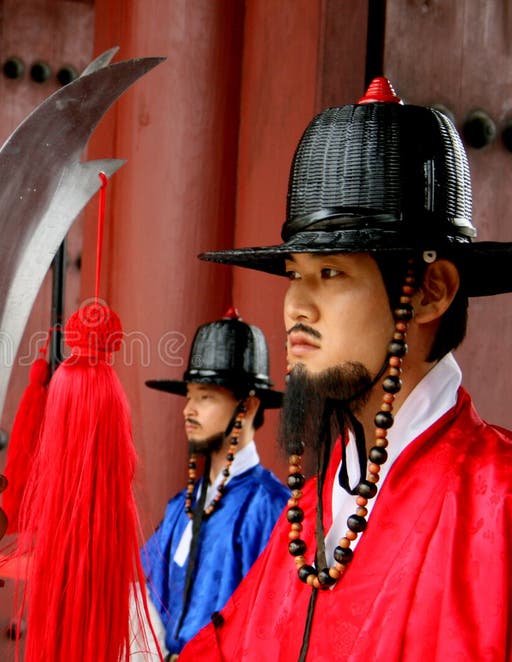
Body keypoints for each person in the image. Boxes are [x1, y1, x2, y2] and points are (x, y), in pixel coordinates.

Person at [178, 77, 512, 660]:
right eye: (293, 273)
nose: (293, 308)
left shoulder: (498, 502)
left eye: (330, 274)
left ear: (433, 290)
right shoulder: (307, 513)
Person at [142, 308, 288, 658]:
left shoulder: (272, 508)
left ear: (249, 406)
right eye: (189, 395)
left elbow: (276, 623)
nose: (188, 409)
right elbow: (148, 595)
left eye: (205, 396)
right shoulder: (181, 507)